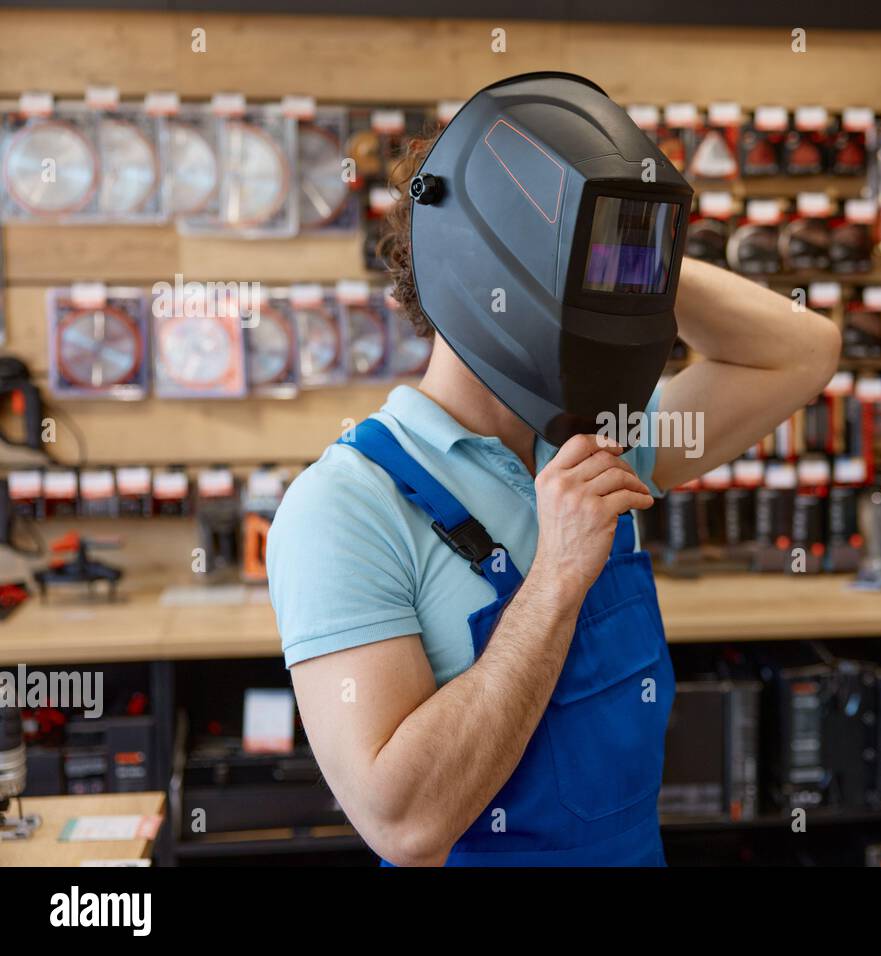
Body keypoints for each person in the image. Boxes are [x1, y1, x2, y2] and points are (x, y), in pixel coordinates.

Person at [267, 74, 840, 866]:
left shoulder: (597, 442)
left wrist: (638, 248)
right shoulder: (342, 508)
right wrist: (556, 577)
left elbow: (804, 352)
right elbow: (403, 824)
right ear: (477, 259)